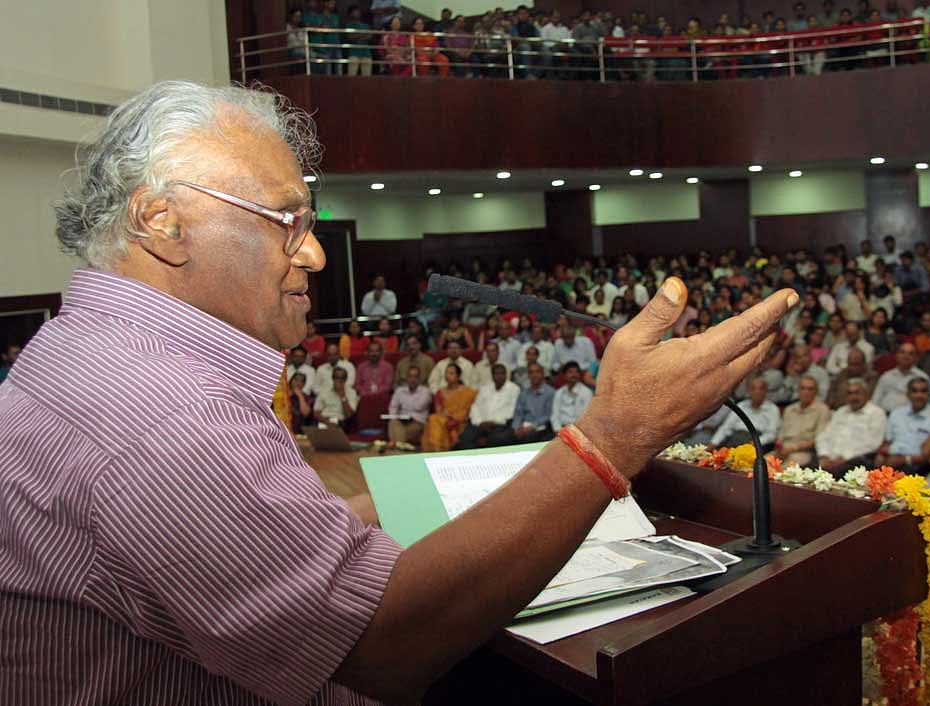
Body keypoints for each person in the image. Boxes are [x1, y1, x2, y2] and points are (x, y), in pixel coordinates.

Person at [0, 80, 796, 705]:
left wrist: (375, 513)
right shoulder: (165, 418)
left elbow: (211, 554)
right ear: (162, 223)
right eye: (283, 219)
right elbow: (386, 647)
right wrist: (615, 436)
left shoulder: (92, 355)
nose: (312, 252)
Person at [816, 378, 888, 476]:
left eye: (857, 393)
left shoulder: (876, 413)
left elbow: (873, 443)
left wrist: (845, 457)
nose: (853, 397)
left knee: (830, 474)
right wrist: (824, 455)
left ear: (867, 394)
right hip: (829, 459)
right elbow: (825, 435)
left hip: (855, 461)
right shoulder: (841, 411)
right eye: (849, 393)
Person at [874, 377, 930, 474]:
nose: (919, 395)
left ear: (929, 394)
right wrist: (881, 454)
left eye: (923, 391)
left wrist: (905, 459)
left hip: (918, 465)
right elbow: (888, 441)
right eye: (914, 391)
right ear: (908, 394)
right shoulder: (897, 413)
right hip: (890, 460)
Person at [455, 364, 520, 448]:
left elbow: (512, 410)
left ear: (506, 375)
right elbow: (475, 407)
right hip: (480, 424)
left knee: (496, 439)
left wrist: (494, 422)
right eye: (496, 374)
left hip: (500, 425)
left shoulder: (514, 389)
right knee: (465, 437)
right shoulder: (485, 388)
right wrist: (479, 422)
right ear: (492, 375)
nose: (499, 376)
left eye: (502, 373)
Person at [710, 377, 781, 449]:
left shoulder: (773, 409)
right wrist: (713, 443)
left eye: (761, 388)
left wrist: (755, 443)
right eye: (753, 388)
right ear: (749, 391)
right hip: (735, 438)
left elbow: (772, 434)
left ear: (766, 391)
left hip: (757, 443)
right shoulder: (741, 405)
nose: (757, 392)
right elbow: (726, 427)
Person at [421, 363, 478, 451]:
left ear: (458, 376)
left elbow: (468, 412)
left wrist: (454, 417)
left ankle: (437, 448)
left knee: (435, 420)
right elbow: (439, 412)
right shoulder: (440, 392)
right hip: (443, 420)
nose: (447, 375)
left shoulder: (468, 392)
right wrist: (447, 415)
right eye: (446, 373)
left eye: (451, 373)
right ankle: (436, 448)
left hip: (460, 423)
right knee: (433, 419)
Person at [776, 376, 831, 467]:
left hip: (803, 452)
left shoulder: (822, 410)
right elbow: (780, 435)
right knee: (759, 466)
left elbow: (819, 440)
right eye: (803, 388)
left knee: (784, 469)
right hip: (783, 450)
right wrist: (779, 447)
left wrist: (793, 448)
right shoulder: (789, 409)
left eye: (810, 389)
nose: (806, 392)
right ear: (798, 391)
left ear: (816, 392)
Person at [870, 342, 928, 412]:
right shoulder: (886, 376)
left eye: (911, 354)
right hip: (885, 415)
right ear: (897, 355)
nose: (906, 356)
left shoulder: (922, 377)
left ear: (916, 358)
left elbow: (926, 402)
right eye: (902, 352)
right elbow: (875, 400)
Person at [387, 365, 433, 446]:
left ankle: (394, 449)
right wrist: (395, 416)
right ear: (406, 378)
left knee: (397, 431)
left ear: (419, 379)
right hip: (401, 420)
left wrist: (402, 406)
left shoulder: (426, 391)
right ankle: (400, 451)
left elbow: (419, 406)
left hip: (417, 422)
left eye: (415, 377)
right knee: (393, 422)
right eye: (410, 376)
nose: (412, 379)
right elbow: (392, 407)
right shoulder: (400, 390)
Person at [512, 362, 556, 442]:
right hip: (524, 426)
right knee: (506, 437)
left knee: (529, 438)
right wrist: (516, 428)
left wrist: (532, 426)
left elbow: (548, 415)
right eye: (531, 372)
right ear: (528, 375)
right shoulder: (524, 393)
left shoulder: (551, 392)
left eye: (537, 371)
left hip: (541, 427)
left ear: (542, 374)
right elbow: (518, 413)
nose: (534, 375)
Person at [550, 362, 594, 432]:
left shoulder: (586, 393)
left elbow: (587, 417)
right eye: (570, 372)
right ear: (564, 376)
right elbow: (555, 415)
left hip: (579, 430)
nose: (574, 375)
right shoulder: (559, 393)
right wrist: (559, 430)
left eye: (576, 372)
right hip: (561, 430)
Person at [343, 5, 374, 75]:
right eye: (355, 11)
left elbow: (370, 36)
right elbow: (350, 36)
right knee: (351, 76)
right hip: (353, 53)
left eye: (358, 11)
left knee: (367, 78)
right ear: (350, 13)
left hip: (366, 53)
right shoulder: (348, 25)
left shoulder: (366, 25)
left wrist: (357, 35)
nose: (357, 13)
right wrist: (363, 34)